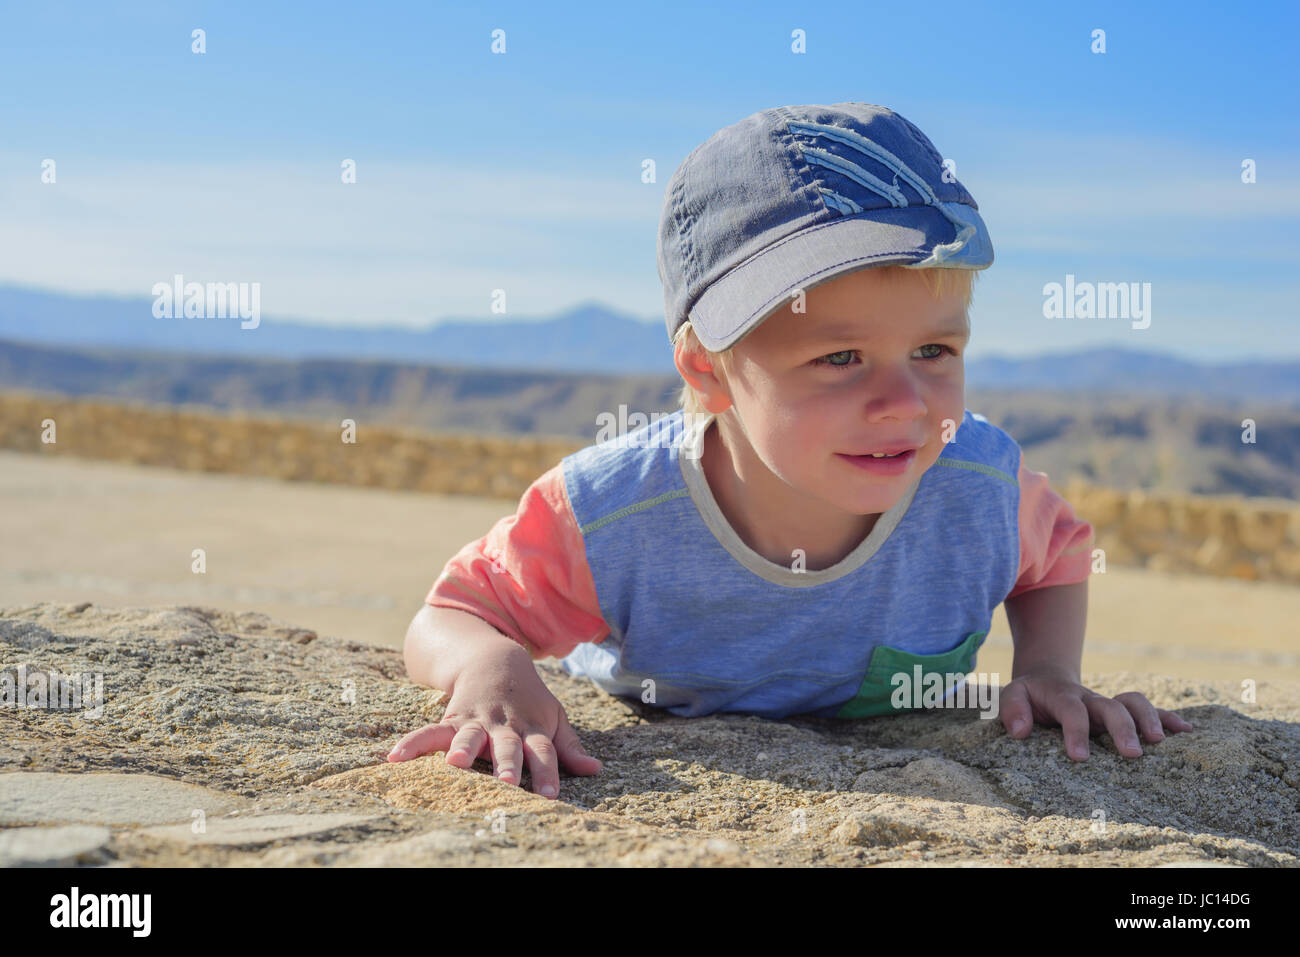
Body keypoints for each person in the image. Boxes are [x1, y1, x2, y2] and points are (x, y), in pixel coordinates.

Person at [387, 102, 1193, 799]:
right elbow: (455, 611)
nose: (905, 404)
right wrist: (489, 668)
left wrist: (1047, 669)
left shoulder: (978, 482)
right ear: (709, 370)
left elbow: (1054, 557)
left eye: (935, 352)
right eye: (839, 359)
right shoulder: (616, 514)